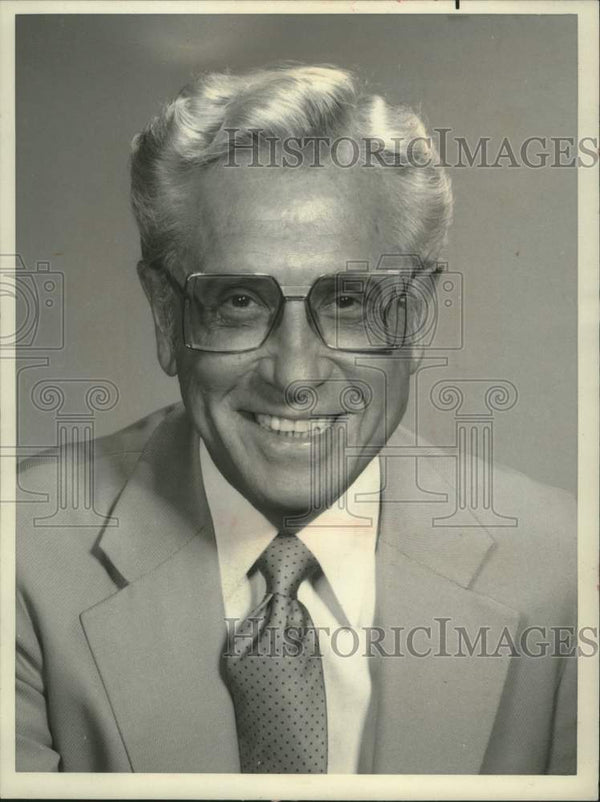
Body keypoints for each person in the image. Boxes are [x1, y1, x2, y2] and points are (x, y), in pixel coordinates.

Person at [16, 64, 576, 774]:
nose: (295, 375)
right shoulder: (22, 560)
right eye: (240, 303)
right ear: (167, 316)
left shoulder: (566, 570)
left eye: (347, 303)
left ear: (418, 316)